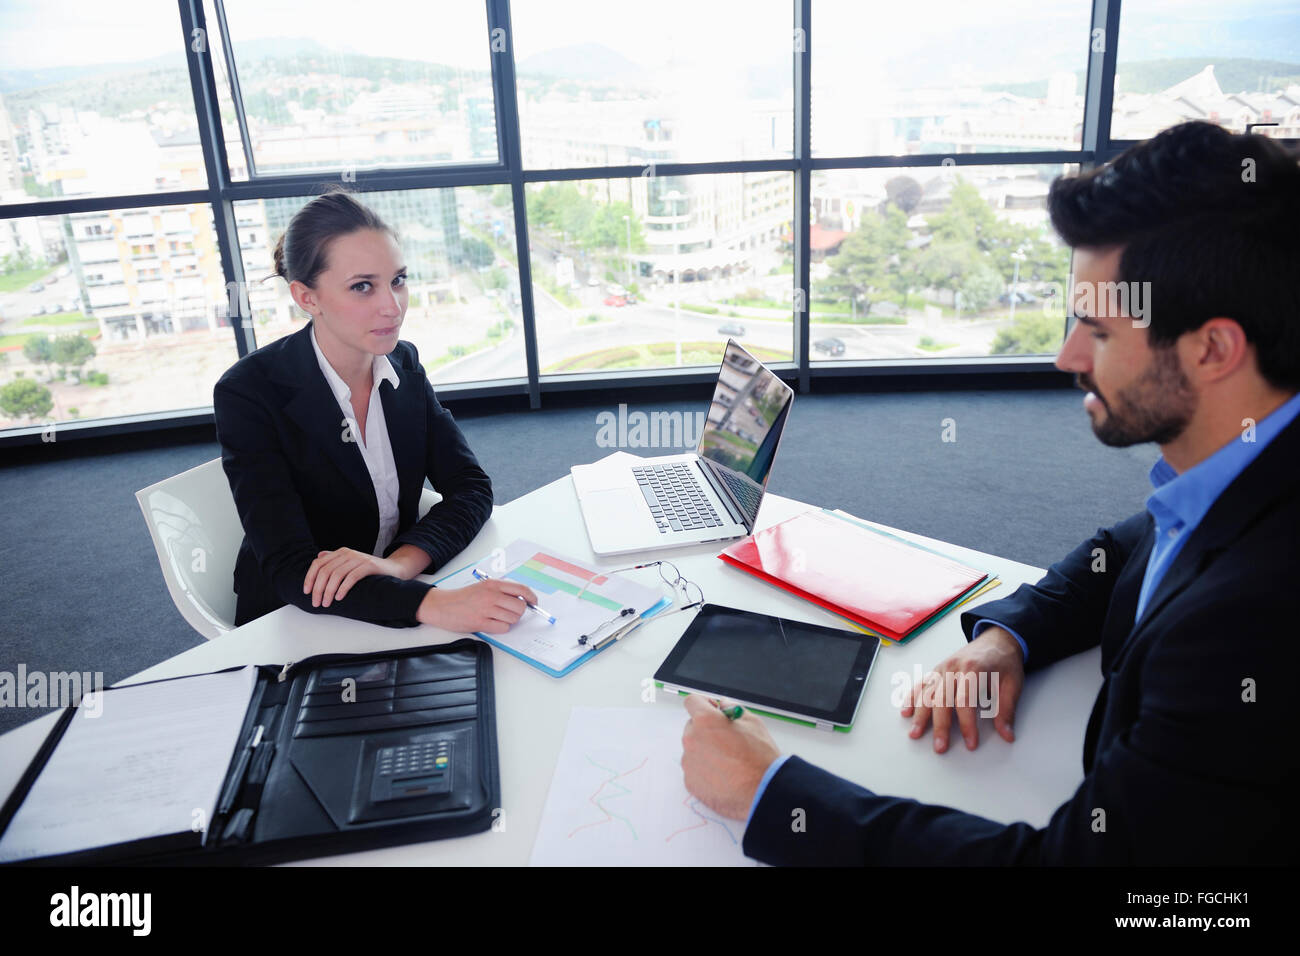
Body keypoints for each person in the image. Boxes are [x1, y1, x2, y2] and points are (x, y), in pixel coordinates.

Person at [680, 120, 1300, 864]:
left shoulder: (1252, 619)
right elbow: (1133, 542)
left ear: (1212, 349)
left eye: (1097, 332)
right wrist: (1007, 638)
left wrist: (771, 797)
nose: (1067, 357)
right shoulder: (1250, 466)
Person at [213, 188, 537, 632]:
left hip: (393, 592)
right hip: (298, 620)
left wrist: (400, 566)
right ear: (307, 298)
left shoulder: (403, 362)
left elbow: (471, 488)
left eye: (398, 280)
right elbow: (291, 568)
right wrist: (432, 604)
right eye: (362, 286)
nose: (393, 306)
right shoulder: (249, 392)